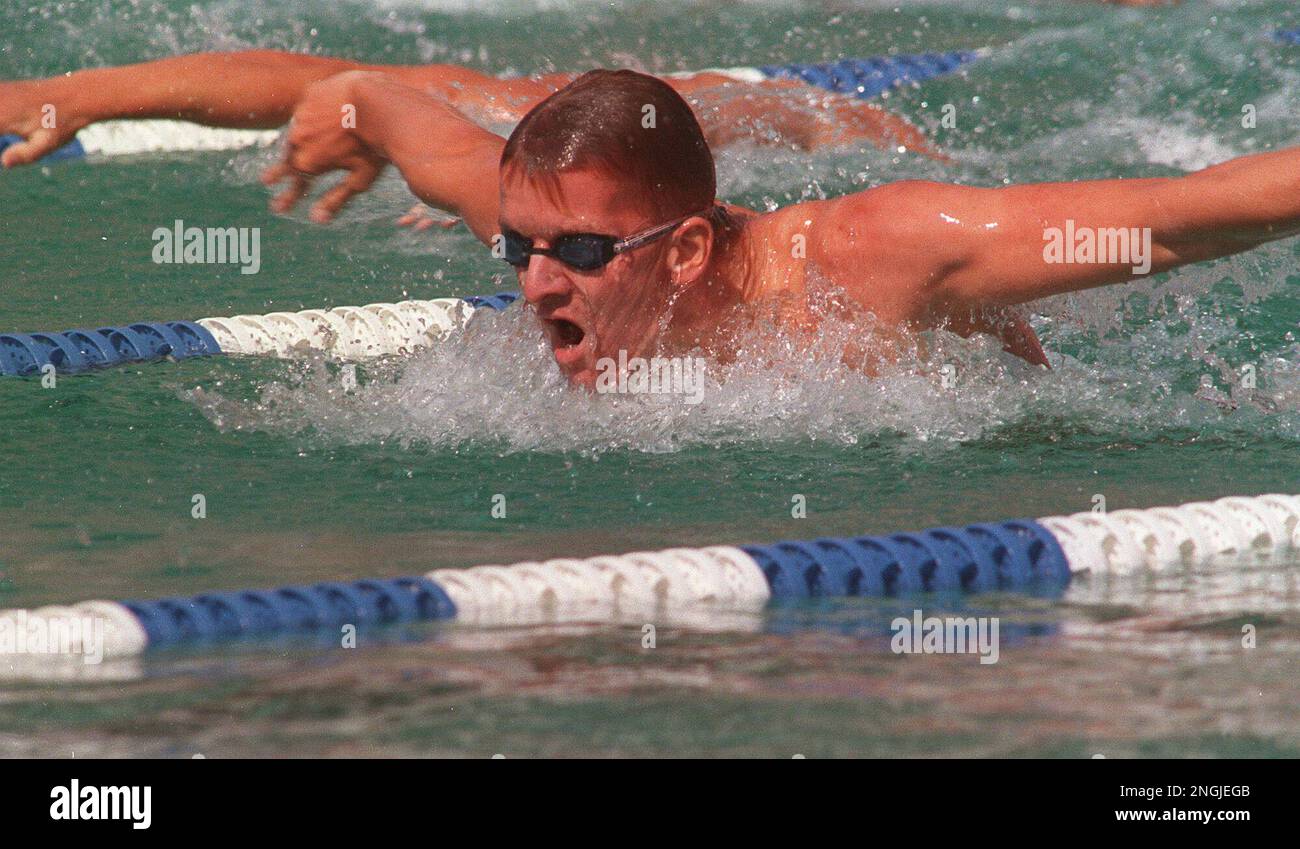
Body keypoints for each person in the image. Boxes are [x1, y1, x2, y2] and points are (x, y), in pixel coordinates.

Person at [261, 69, 1296, 387]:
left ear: (687, 251)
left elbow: (1174, 222)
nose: (534, 286)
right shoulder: (554, 220)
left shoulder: (871, 259)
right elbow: (423, 131)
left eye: (574, 257)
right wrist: (356, 103)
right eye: (518, 251)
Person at [0, 49, 943, 170]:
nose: (537, 280)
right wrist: (76, 98)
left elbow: (773, 115)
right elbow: (320, 81)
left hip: (803, 120)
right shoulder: (484, 156)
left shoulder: (550, 134)